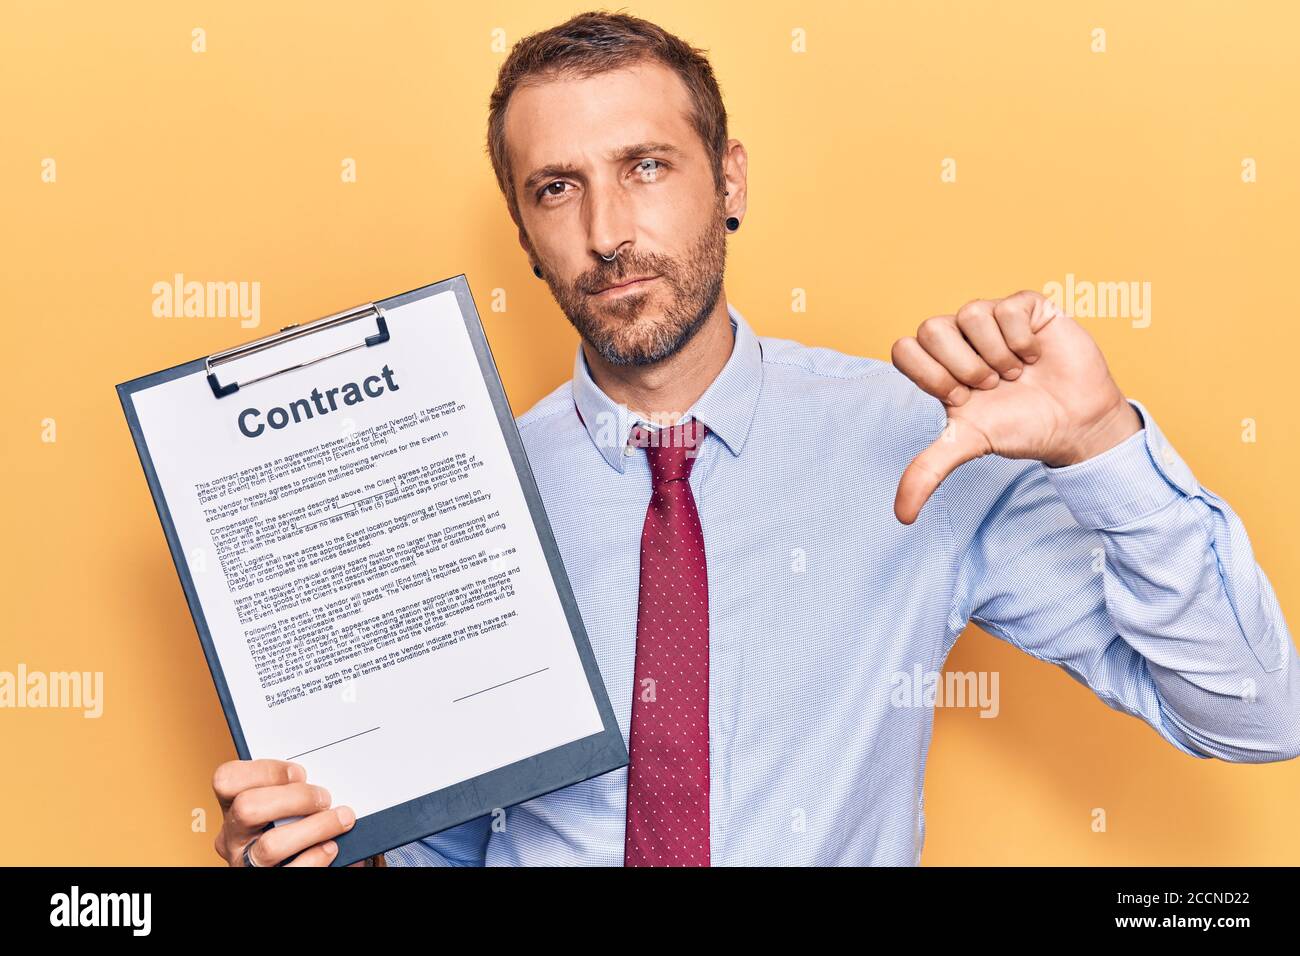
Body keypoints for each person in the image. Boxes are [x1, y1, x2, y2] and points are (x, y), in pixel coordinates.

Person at [212, 10, 1300, 868]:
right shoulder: (462, 496)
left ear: (727, 179)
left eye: (645, 166)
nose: (607, 234)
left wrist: (1104, 445)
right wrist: (334, 852)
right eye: (557, 188)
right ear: (523, 233)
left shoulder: (920, 443)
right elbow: (449, 851)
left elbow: (1257, 715)